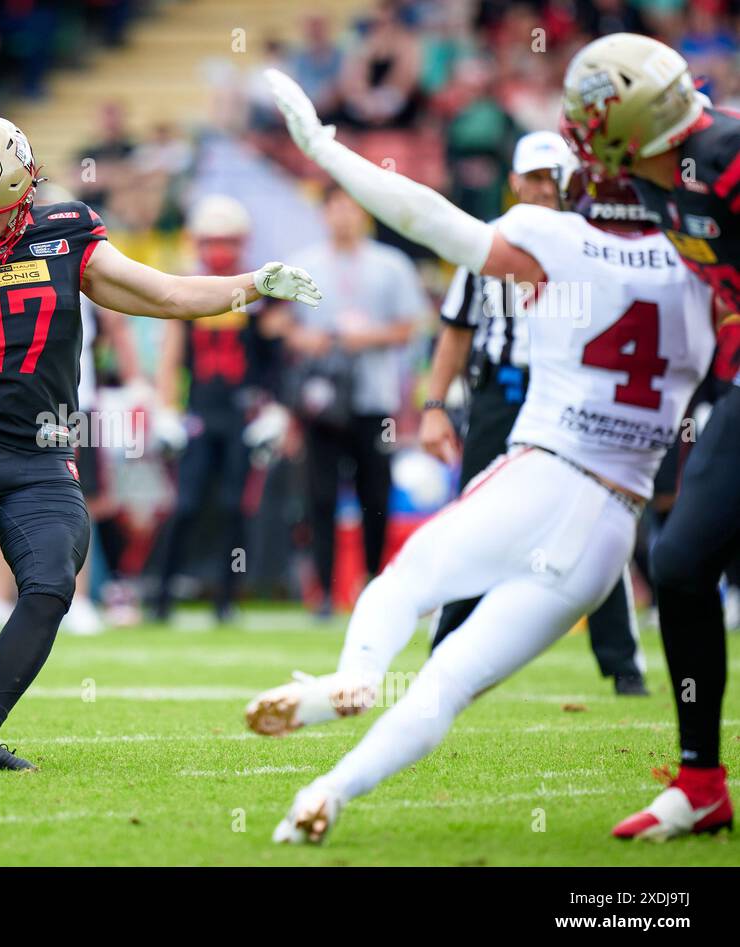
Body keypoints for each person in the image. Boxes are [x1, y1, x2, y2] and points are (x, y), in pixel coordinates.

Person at [247, 68, 716, 845]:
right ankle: (329, 788)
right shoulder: (704, 267)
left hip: (542, 473)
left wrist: (327, 150)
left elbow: (428, 216)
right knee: (451, 683)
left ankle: (357, 673)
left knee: (407, 584)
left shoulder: (552, 236)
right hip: (610, 528)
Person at [0, 115, 321, 770]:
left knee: (53, 582)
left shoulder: (66, 238)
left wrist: (251, 286)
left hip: (40, 460)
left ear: (27, 198)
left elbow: (167, 294)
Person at [561, 33, 740, 840]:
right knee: (678, 563)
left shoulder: (729, 157)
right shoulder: (653, 179)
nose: (582, 134)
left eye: (593, 118)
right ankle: (702, 779)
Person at [422, 130, 648, 696]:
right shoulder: (489, 244)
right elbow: (456, 331)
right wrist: (432, 406)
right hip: (500, 396)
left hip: (570, 398)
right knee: (474, 520)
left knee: (593, 519)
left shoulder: (590, 242)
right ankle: (444, 654)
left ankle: (622, 666)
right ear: (516, 182)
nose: (546, 189)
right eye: (537, 178)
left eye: (555, 178)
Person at [285, 184, 421, 616]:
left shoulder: (390, 265)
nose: (343, 216)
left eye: (351, 208)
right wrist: (312, 340)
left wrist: (368, 336)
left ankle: (375, 587)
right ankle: (322, 591)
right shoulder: (306, 264)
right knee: (320, 495)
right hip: (322, 400)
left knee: (375, 495)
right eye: (335, 208)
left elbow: (409, 327)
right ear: (324, 214)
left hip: (373, 397)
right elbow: (283, 326)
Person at [152, 195, 287, 622]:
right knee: (186, 505)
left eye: (227, 240)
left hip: (241, 417)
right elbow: (171, 357)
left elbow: (279, 358)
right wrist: (165, 409)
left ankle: (227, 599)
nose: (220, 249)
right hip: (198, 415)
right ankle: (160, 595)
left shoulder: (261, 295)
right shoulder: (189, 290)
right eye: (213, 240)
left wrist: (276, 409)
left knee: (233, 506)